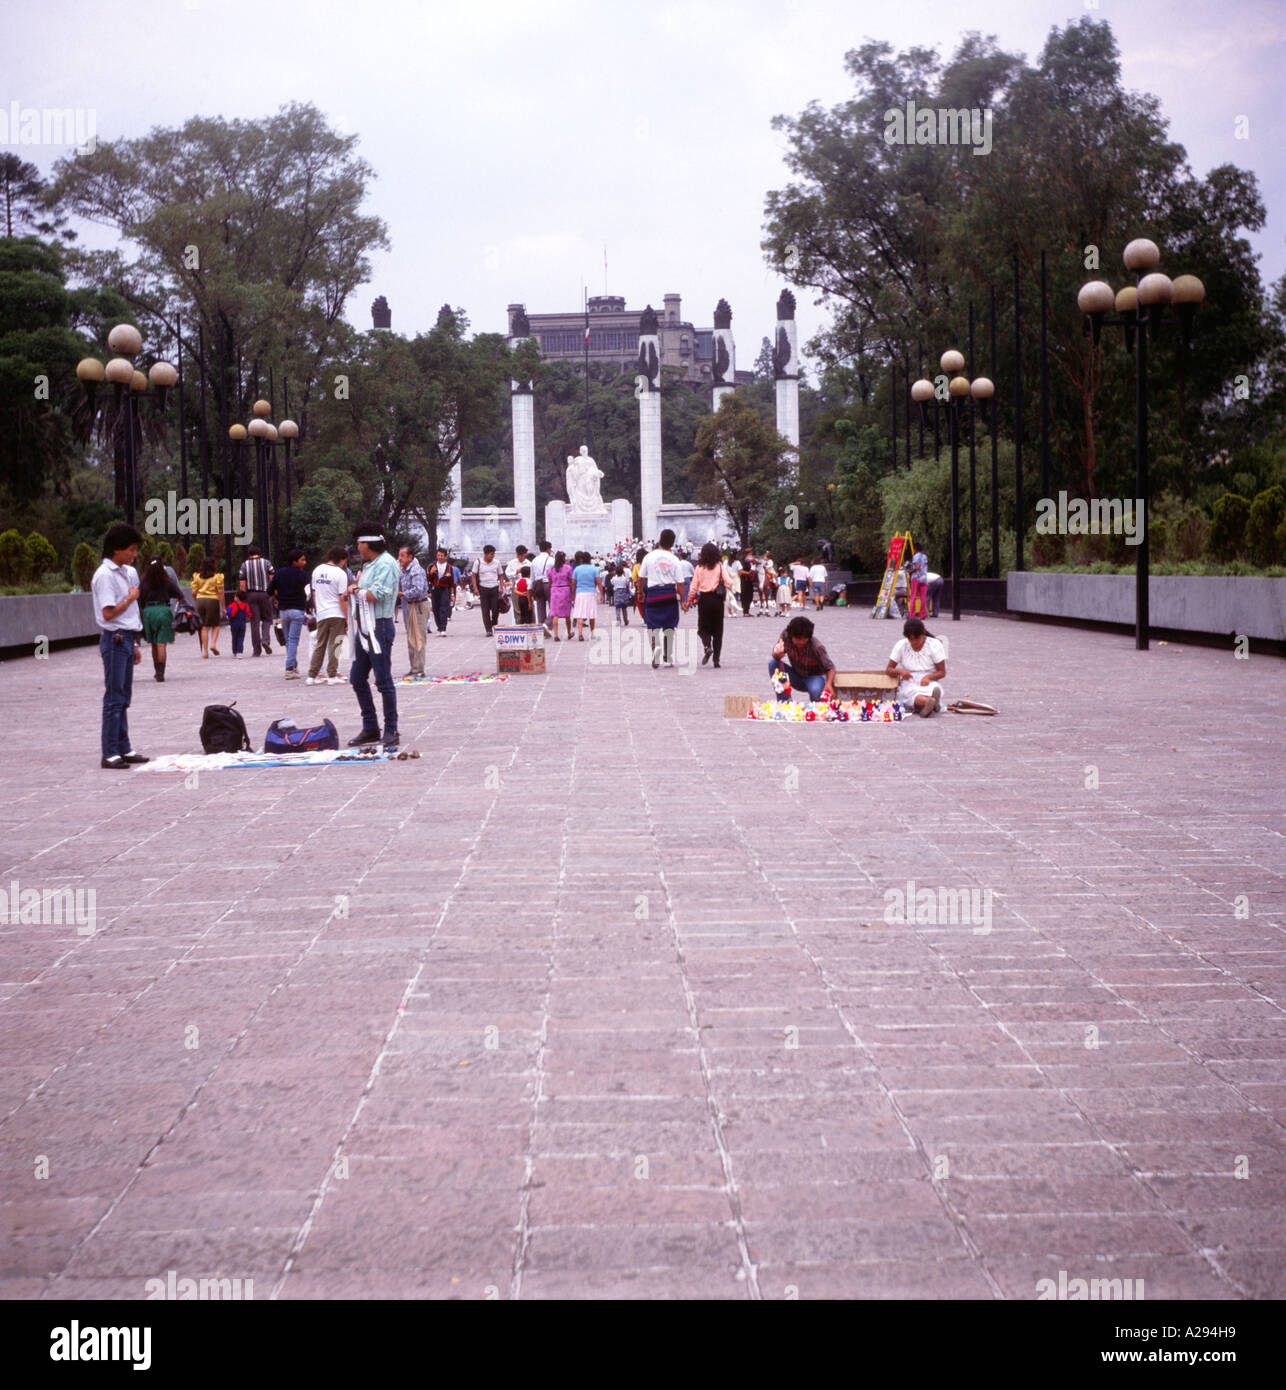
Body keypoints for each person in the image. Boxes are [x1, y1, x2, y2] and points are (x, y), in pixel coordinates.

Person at [92, 522, 148, 769]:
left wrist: (135, 642)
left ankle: (124, 747)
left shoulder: (128, 572)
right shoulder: (104, 575)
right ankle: (110, 751)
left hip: (126, 638)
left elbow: (132, 612)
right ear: (117, 549)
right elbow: (108, 613)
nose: (134, 555)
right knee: (114, 697)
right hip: (114, 639)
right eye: (131, 550)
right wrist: (130, 598)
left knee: (124, 696)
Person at [347, 524, 401, 747]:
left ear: (368, 543)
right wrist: (355, 590)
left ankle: (391, 729)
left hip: (379, 627)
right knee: (357, 677)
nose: (357, 547)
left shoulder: (386, 564)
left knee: (383, 679)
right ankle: (370, 726)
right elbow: (362, 589)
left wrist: (355, 591)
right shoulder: (370, 564)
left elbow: (375, 594)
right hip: (365, 628)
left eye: (359, 543)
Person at [684, 541, 735, 668]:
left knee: (702, 629)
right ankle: (716, 660)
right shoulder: (719, 566)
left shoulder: (699, 568)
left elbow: (693, 587)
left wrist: (688, 601)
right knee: (718, 630)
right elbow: (729, 583)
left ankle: (707, 646)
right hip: (717, 600)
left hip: (704, 600)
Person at [639, 529, 683, 668]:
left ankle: (655, 650)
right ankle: (667, 655)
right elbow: (680, 583)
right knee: (669, 626)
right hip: (669, 594)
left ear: (659, 539)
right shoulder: (674, 559)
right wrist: (683, 601)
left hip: (653, 594)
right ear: (672, 543)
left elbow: (641, 578)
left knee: (652, 625)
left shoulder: (649, 557)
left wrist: (640, 592)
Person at [886, 617, 947, 717]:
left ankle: (929, 701)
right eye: (910, 639)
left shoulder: (934, 645)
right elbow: (889, 669)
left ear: (923, 632)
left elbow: (942, 672)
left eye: (917, 638)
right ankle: (930, 702)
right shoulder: (901, 645)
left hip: (929, 681)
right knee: (912, 694)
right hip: (910, 681)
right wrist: (900, 671)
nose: (914, 642)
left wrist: (928, 677)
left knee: (933, 688)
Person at [770, 615, 836, 703]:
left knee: (815, 691)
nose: (801, 642)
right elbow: (775, 655)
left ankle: (816, 708)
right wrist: (777, 653)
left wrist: (828, 684)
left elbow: (830, 667)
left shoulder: (816, 646)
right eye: (798, 639)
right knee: (773, 664)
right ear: (791, 635)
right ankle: (784, 701)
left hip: (814, 678)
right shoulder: (786, 637)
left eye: (804, 639)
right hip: (796, 676)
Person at [308, 546, 350, 684]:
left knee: (320, 644)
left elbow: (314, 593)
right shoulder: (340, 573)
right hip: (336, 612)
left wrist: (318, 610)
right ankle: (332, 675)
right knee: (335, 644)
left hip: (322, 612)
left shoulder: (317, 570)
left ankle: (312, 675)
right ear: (342, 559)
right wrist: (346, 617)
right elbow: (342, 598)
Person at [268, 548, 311, 680]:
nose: (304, 562)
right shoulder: (303, 575)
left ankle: (294, 666)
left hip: (283, 611)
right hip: (297, 610)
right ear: (295, 561)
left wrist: (276, 599)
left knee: (288, 641)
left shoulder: (279, 573)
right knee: (293, 640)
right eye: (302, 560)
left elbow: (269, 590)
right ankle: (289, 668)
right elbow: (309, 593)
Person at [137, 557, 183, 682]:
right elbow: (179, 594)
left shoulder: (144, 583)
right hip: (163, 610)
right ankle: (162, 673)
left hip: (149, 612)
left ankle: (157, 671)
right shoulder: (166, 581)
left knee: (153, 643)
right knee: (161, 644)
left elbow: (139, 599)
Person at [238, 544, 275, 655]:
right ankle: (265, 640)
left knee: (254, 622)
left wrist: (243, 599)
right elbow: (272, 579)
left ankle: (256, 650)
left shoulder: (244, 565)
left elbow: (242, 584)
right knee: (267, 619)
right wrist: (273, 595)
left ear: (249, 555)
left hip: (251, 596)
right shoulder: (267, 563)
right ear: (259, 553)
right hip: (265, 594)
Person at [191, 557, 225, 658]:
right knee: (216, 625)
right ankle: (213, 644)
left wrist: (197, 600)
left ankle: (205, 652)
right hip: (212, 600)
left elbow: (193, 592)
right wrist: (223, 607)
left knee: (204, 627)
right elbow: (220, 593)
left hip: (200, 599)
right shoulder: (217, 577)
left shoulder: (197, 576)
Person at [471, 544, 505, 636]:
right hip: (483, 588)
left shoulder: (497, 562)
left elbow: (501, 575)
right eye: (491, 554)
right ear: (485, 554)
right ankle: (488, 630)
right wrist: (475, 588)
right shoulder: (478, 562)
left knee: (495, 610)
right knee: (485, 610)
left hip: (494, 588)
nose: (492, 556)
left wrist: (501, 587)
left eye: (493, 554)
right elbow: (473, 575)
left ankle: (494, 626)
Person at [571, 550, 601, 641]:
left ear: (581, 560)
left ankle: (580, 634)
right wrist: (602, 594)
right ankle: (592, 634)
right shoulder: (595, 569)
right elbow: (598, 582)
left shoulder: (577, 569)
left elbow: (573, 583)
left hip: (580, 593)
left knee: (580, 613)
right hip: (591, 593)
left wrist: (573, 594)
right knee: (591, 614)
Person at [427, 547, 455, 637]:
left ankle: (443, 628)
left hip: (445, 590)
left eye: (442, 555)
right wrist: (431, 573)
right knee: (435, 609)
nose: (439, 557)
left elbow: (452, 583)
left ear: (445, 556)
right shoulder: (432, 566)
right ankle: (439, 627)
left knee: (444, 609)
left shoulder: (449, 567)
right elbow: (427, 579)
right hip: (435, 589)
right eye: (438, 555)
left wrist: (452, 594)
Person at [548, 549, 574, 641]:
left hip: (554, 590)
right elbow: (571, 580)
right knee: (567, 614)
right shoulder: (568, 568)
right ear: (563, 558)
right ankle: (569, 632)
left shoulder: (551, 570)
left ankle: (555, 634)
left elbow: (549, 582)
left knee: (555, 614)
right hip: (565, 590)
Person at [529, 540, 554, 629]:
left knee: (540, 607)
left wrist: (530, 589)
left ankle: (541, 627)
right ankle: (547, 624)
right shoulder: (551, 560)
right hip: (549, 584)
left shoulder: (534, 560)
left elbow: (531, 577)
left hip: (537, 584)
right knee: (553, 606)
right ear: (548, 549)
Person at [225, 589, 251, 657]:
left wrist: (227, 615)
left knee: (234, 637)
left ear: (237, 597)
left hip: (234, 624)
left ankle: (235, 651)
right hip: (242, 624)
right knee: (241, 637)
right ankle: (240, 651)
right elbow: (249, 614)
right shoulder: (246, 605)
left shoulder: (232, 605)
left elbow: (229, 614)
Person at [908, 546, 929, 619]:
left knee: (913, 596)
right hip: (924, 578)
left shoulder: (916, 556)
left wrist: (910, 571)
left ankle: (912, 615)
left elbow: (917, 567)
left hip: (916, 578)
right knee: (923, 597)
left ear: (915, 549)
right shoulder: (925, 556)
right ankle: (922, 615)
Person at [736, 548, 756, 617]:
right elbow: (740, 571)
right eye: (750, 553)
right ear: (746, 554)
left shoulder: (750, 561)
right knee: (744, 595)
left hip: (750, 580)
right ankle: (745, 611)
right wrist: (748, 573)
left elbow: (753, 567)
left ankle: (747, 610)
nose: (751, 554)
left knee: (750, 595)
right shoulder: (741, 561)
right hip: (743, 580)